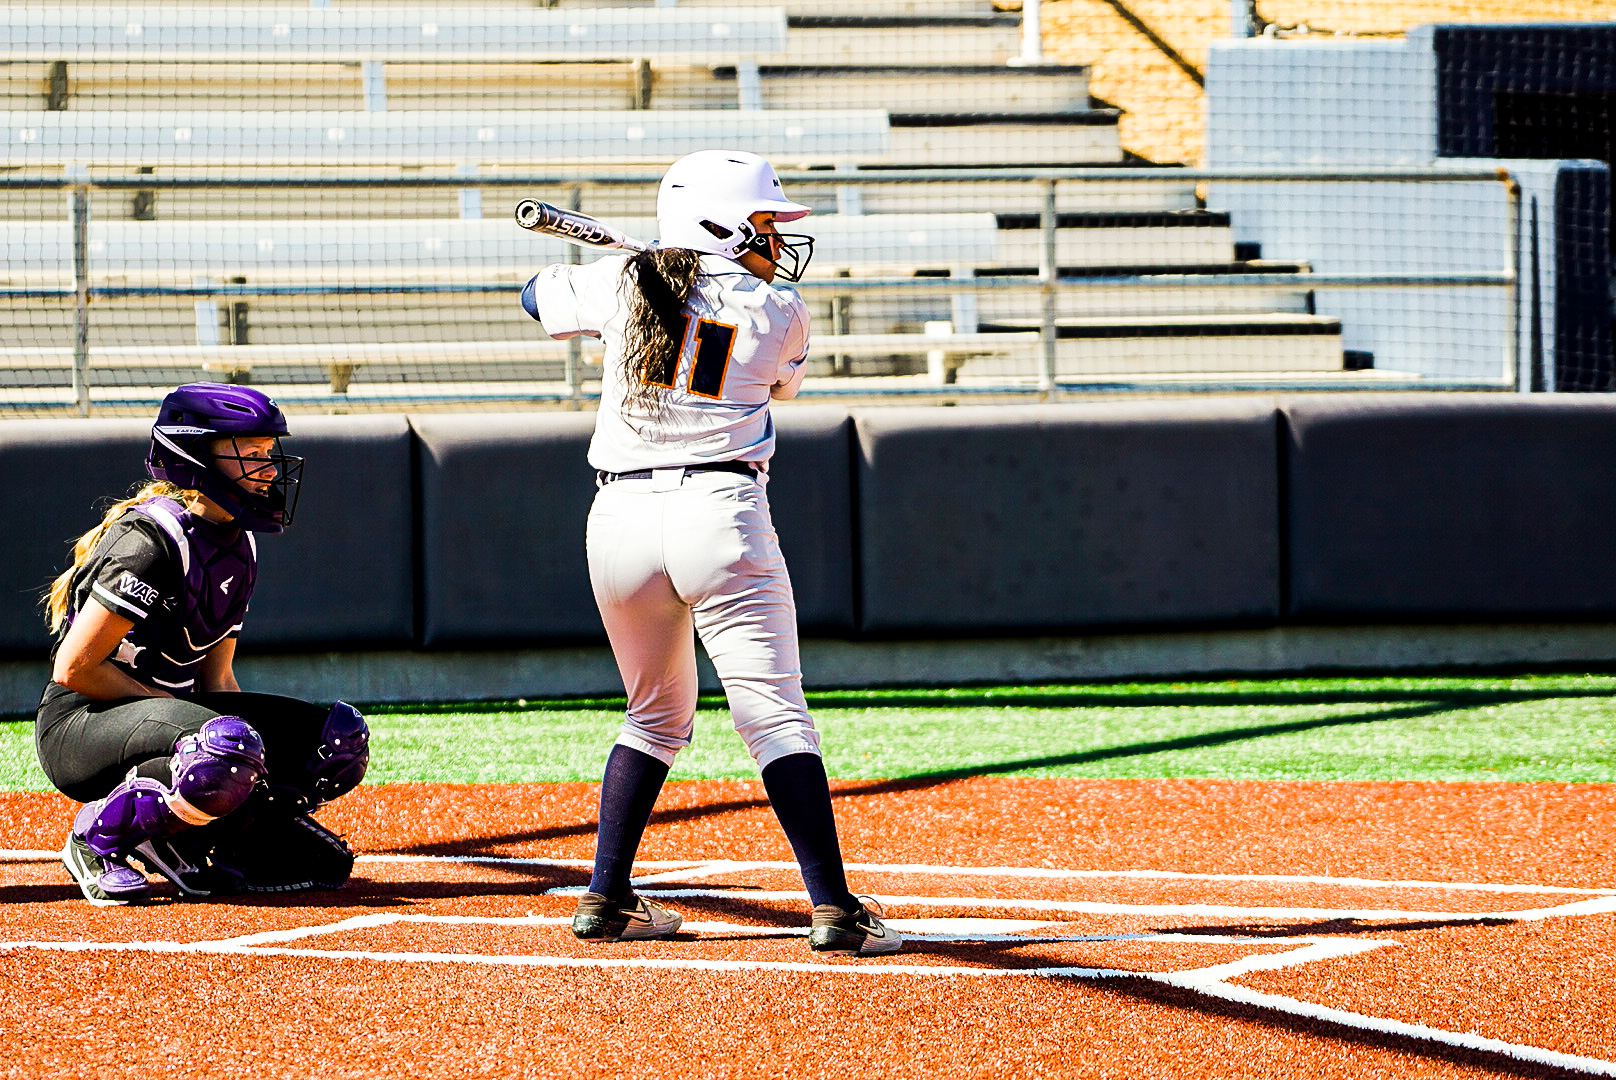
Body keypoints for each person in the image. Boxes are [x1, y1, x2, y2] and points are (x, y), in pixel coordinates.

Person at [521, 149, 900, 955]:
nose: (774, 240)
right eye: (763, 224)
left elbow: (533, 296)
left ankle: (606, 895)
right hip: (718, 511)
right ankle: (835, 908)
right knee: (774, 715)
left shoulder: (623, 282)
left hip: (619, 520)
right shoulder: (780, 311)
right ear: (724, 225)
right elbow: (778, 384)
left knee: (654, 714)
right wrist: (655, 274)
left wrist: (637, 275)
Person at [37, 382, 370, 905]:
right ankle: (96, 837)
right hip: (81, 725)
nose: (267, 466)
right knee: (224, 746)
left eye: (268, 452)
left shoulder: (240, 543)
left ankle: (224, 833)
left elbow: (218, 679)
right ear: (194, 455)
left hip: (176, 722)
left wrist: (254, 791)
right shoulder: (149, 541)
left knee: (337, 742)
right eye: (248, 452)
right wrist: (199, 731)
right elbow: (74, 669)